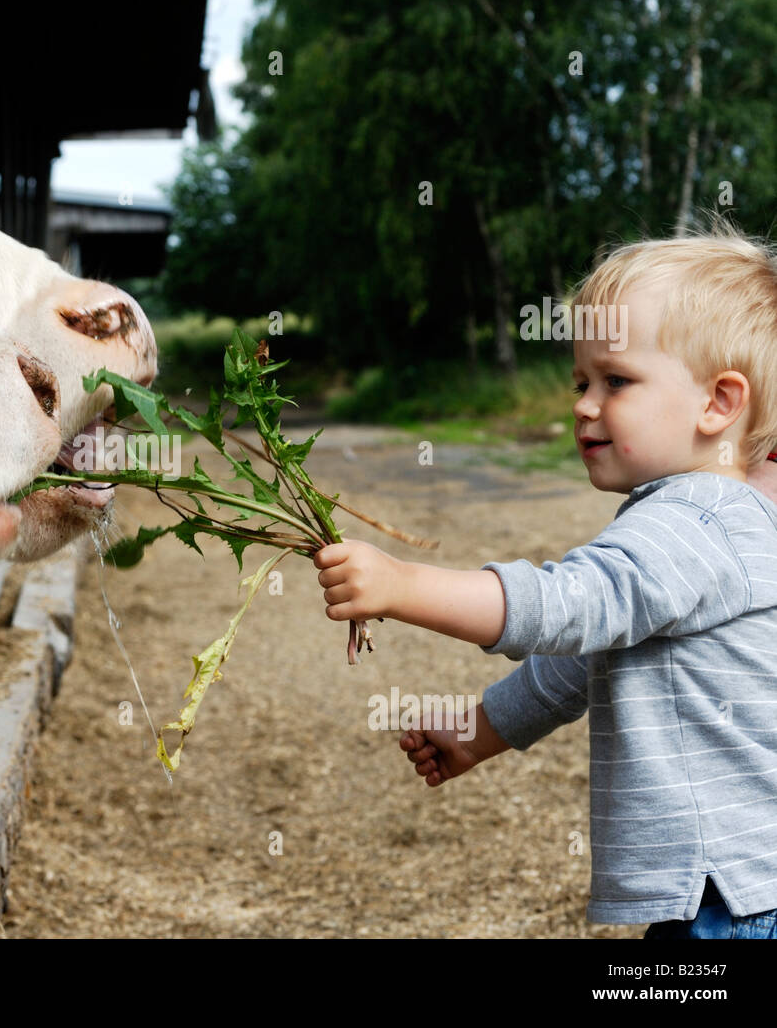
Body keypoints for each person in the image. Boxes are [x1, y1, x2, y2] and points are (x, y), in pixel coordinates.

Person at [316, 230, 777, 937]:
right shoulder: (705, 519)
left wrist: (402, 584)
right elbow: (582, 661)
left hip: (728, 899)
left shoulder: (696, 520)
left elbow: (563, 607)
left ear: (718, 403)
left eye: (616, 380)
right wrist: (481, 730)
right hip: (727, 890)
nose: (585, 405)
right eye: (579, 382)